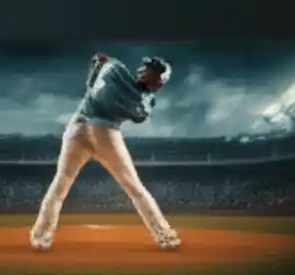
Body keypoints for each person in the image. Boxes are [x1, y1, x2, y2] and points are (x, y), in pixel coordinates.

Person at [28, 53, 181, 252]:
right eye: (146, 67)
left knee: (60, 185)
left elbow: (97, 66)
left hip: (79, 127)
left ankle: (41, 238)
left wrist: (96, 69)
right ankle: (166, 237)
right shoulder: (144, 99)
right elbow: (138, 114)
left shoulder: (117, 69)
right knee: (135, 189)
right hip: (102, 131)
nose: (144, 70)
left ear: (158, 80)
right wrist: (100, 70)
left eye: (150, 70)